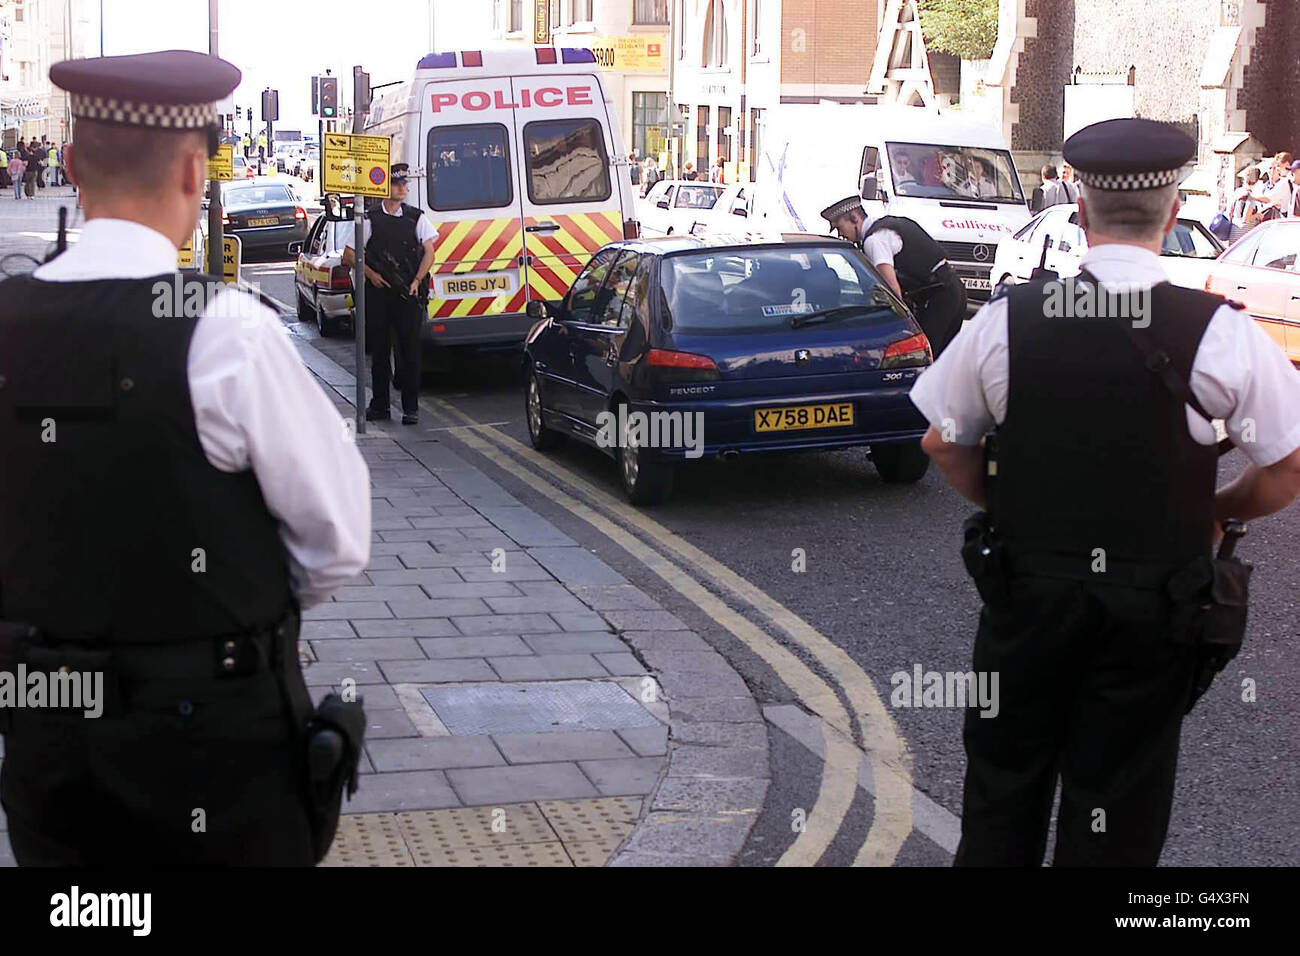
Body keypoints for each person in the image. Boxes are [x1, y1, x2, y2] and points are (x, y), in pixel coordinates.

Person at [0, 50, 372, 866]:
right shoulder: (226, 332)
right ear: (193, 173)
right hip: (218, 753)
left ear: (68, 167)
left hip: (49, 751)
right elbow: (337, 541)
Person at [911, 118, 1300, 866]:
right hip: (1152, 610)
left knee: (1001, 793)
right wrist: (1213, 512)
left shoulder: (1008, 321)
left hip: (1027, 596)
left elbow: (941, 443)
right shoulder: (1218, 331)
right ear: (1175, 208)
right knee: (1118, 813)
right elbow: (1286, 468)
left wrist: (1008, 505)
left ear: (1079, 211)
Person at [343, 163, 438, 426]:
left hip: (407, 292)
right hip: (378, 294)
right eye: (398, 184)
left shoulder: (416, 217)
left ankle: (411, 408)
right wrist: (371, 275)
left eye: (405, 184)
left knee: (409, 353)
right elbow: (349, 255)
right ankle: (381, 406)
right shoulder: (370, 217)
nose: (404, 188)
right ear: (387, 188)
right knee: (380, 351)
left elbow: (429, 251)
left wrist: (418, 279)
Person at [820, 195, 967, 356]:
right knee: (944, 359)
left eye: (840, 227)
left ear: (855, 218)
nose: (841, 234)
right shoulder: (891, 225)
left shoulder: (874, 240)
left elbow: (892, 291)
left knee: (924, 358)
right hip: (954, 288)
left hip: (939, 298)